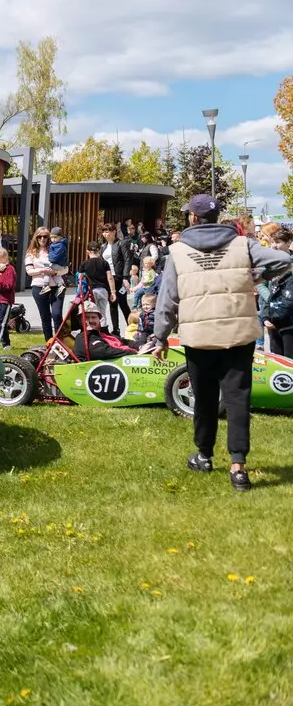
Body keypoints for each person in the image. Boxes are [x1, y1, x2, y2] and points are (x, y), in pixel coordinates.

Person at [149, 194, 292, 492]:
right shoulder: (244, 245)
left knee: (204, 398)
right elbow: (284, 260)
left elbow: (167, 301)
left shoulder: (176, 251)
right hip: (238, 335)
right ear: (216, 217)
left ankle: (204, 455)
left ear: (192, 218)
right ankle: (238, 466)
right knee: (238, 399)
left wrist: (160, 337)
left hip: (198, 338)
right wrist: (257, 276)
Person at [24, 227, 65, 339]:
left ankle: (60, 342)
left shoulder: (56, 249)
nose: (42, 239)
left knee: (57, 315)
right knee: (45, 317)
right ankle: (49, 344)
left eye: (45, 236)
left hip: (57, 286)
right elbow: (29, 272)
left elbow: (66, 269)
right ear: (35, 238)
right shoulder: (31, 253)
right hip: (39, 287)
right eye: (39, 236)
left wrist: (55, 272)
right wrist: (42, 270)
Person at [73, 301, 137, 360]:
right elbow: (102, 351)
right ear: (80, 321)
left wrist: (140, 346)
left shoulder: (104, 335)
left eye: (93, 317)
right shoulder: (82, 338)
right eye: (86, 318)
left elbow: (125, 341)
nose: (90, 321)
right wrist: (133, 352)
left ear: (99, 319)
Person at [101, 223, 130, 336]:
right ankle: (116, 329)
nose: (106, 234)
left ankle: (131, 327)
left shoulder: (121, 243)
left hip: (119, 278)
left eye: (108, 231)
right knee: (112, 303)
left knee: (123, 303)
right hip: (109, 278)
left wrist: (125, 277)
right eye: (104, 231)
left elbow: (127, 260)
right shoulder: (103, 246)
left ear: (114, 232)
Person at [79, 245, 113, 319]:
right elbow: (110, 278)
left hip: (91, 291)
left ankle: (94, 330)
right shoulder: (105, 263)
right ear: (99, 251)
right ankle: (103, 329)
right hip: (103, 290)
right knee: (102, 313)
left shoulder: (84, 264)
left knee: (93, 313)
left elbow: (80, 279)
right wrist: (113, 292)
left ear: (88, 251)